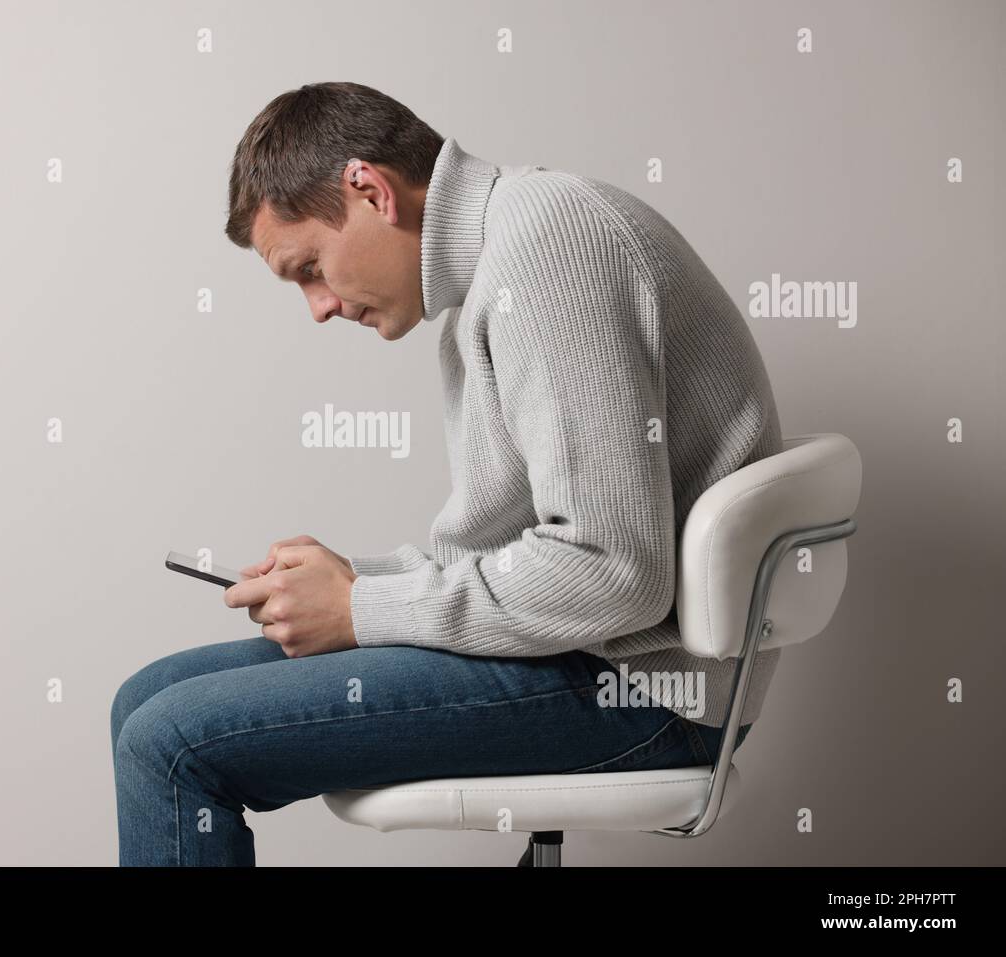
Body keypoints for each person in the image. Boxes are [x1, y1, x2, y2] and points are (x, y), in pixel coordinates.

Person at [111, 81, 779, 866]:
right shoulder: (499, 269)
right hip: (589, 657)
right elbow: (530, 549)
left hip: (645, 692)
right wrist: (350, 581)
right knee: (143, 702)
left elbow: (613, 572)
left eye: (309, 267)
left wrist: (362, 606)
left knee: (172, 743)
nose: (317, 307)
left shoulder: (547, 250)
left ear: (370, 190)